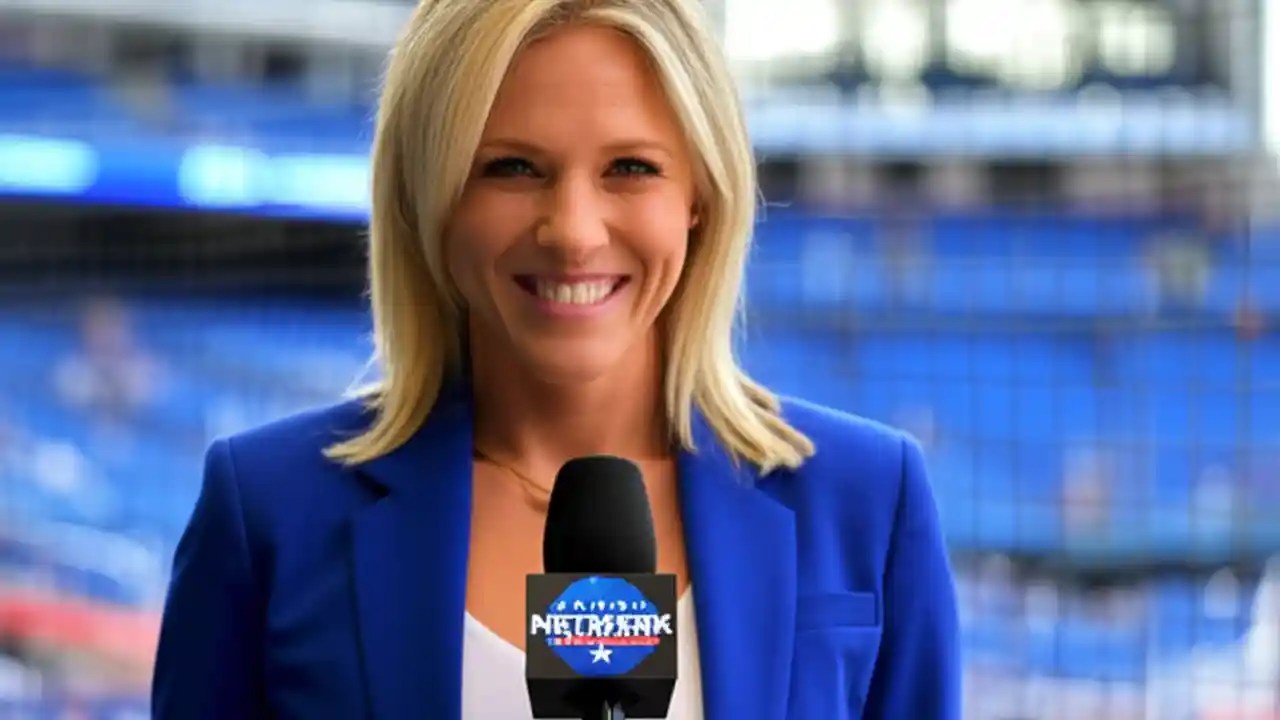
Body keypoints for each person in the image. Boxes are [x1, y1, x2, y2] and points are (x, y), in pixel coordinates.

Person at [150, 1, 960, 718]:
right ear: (428, 200)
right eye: (511, 168)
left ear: (700, 198)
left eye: (630, 169)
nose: (572, 231)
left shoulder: (867, 499)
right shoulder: (266, 513)